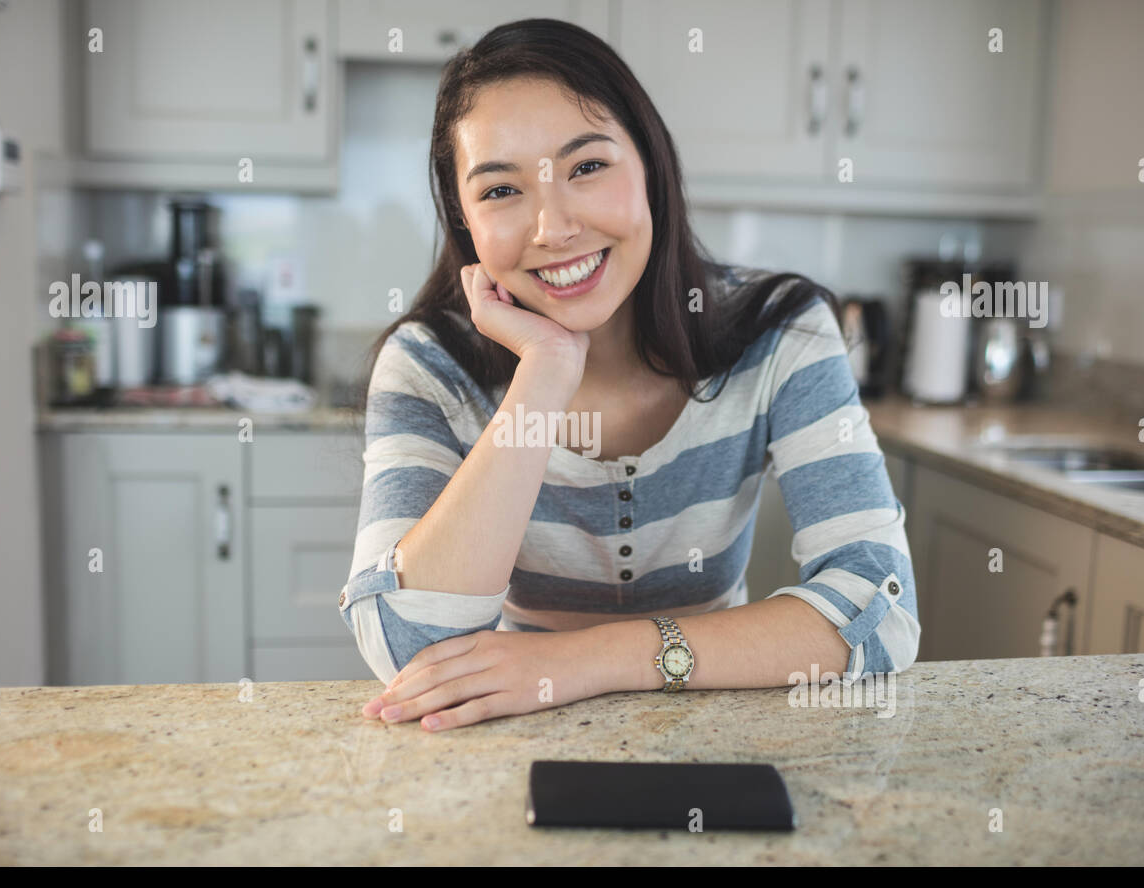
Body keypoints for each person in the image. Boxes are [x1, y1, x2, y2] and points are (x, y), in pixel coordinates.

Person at [339, 19, 919, 731]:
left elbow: (881, 612)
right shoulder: (430, 365)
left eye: (586, 167)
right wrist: (545, 374)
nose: (553, 228)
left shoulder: (781, 334)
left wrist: (591, 661)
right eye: (500, 192)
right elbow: (408, 644)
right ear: (464, 220)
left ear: (651, 166)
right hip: (514, 735)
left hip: (715, 725)